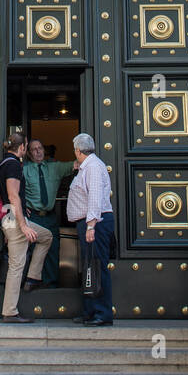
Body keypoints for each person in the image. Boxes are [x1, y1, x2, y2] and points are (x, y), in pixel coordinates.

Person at [0, 131, 53, 323]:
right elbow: (13, 196)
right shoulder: (13, 165)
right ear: (22, 148)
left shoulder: (2, 164)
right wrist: (22, 225)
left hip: (9, 217)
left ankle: (33, 277)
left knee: (46, 236)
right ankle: (10, 311)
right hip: (14, 219)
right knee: (16, 266)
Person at [67, 133, 115, 326]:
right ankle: (90, 311)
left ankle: (102, 313)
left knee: (97, 267)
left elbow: (95, 197)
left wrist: (91, 225)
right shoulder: (87, 167)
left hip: (96, 223)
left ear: (78, 150)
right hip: (90, 223)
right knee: (89, 268)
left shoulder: (93, 167)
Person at [21, 138, 74, 287]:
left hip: (50, 217)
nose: (38, 151)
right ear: (29, 154)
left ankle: (51, 284)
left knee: (53, 250)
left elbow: (76, 164)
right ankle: (33, 283)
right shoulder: (23, 169)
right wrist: (21, 206)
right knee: (33, 251)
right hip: (34, 218)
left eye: (40, 148)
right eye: (34, 149)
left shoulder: (55, 167)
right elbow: (13, 188)